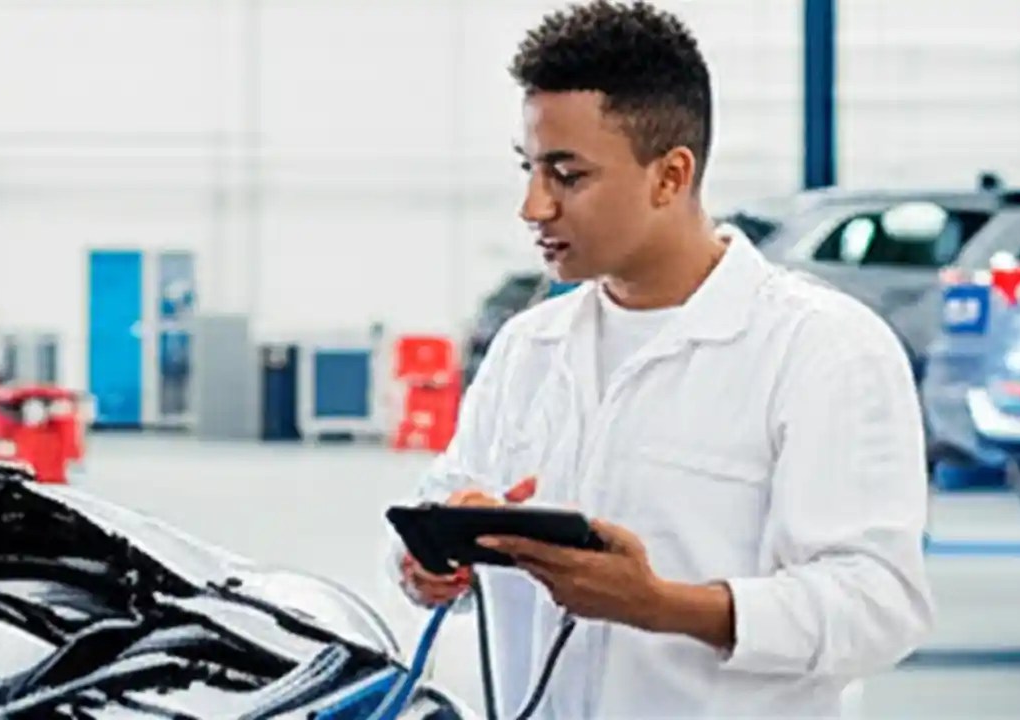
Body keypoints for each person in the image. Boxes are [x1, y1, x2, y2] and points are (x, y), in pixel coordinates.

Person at [386, 2, 935, 717]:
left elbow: (878, 604)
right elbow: (436, 511)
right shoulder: (530, 351)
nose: (532, 206)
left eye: (567, 175)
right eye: (529, 168)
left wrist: (663, 606)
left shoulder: (821, 352)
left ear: (670, 176)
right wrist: (430, 561)